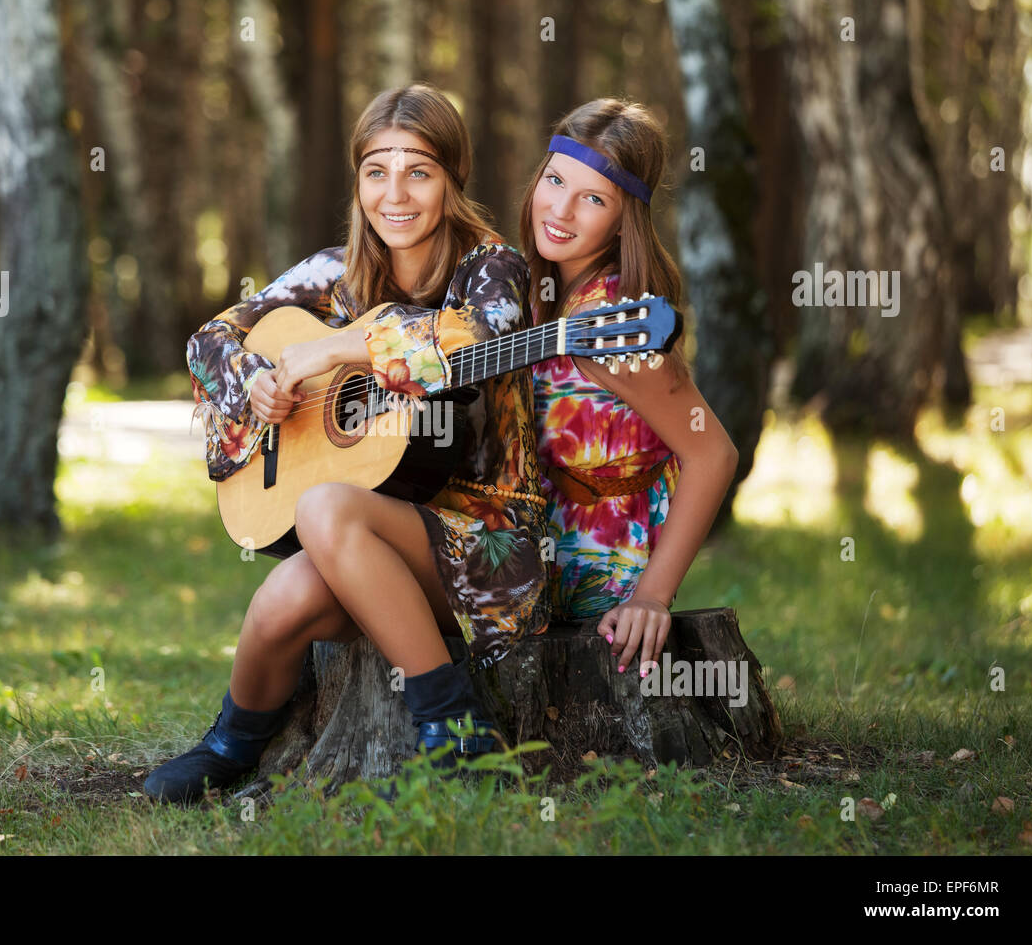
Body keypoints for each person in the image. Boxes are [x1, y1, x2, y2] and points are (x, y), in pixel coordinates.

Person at [145, 83, 551, 804]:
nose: (395, 193)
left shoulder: (493, 268)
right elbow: (211, 339)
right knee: (280, 600)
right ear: (358, 179)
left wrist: (335, 353)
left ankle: (455, 729)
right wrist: (262, 384)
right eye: (376, 171)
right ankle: (231, 745)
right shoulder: (335, 272)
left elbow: (471, 339)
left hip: (491, 543)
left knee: (326, 510)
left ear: (453, 179)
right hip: (378, 537)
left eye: (418, 171)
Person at [521, 98, 739, 680]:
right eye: (555, 181)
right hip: (526, 547)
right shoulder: (538, 299)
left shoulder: (611, 321)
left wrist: (652, 597)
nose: (561, 209)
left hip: (587, 574)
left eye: (593, 198)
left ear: (625, 219)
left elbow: (712, 452)